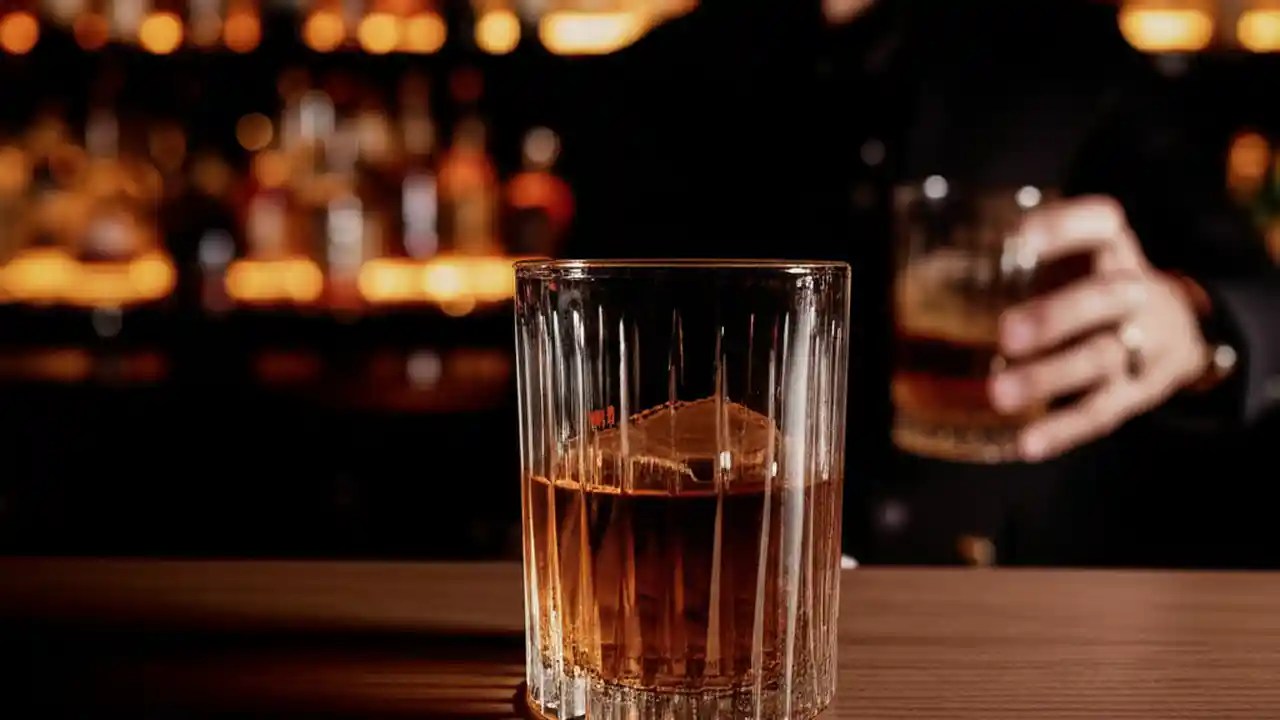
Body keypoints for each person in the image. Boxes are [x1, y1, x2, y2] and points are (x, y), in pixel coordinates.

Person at [558, 0, 1280, 566]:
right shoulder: (640, 86)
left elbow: (1255, 293)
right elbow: (573, 375)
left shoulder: (1070, 54)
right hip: (723, 602)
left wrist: (1187, 326)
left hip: (1034, 604)